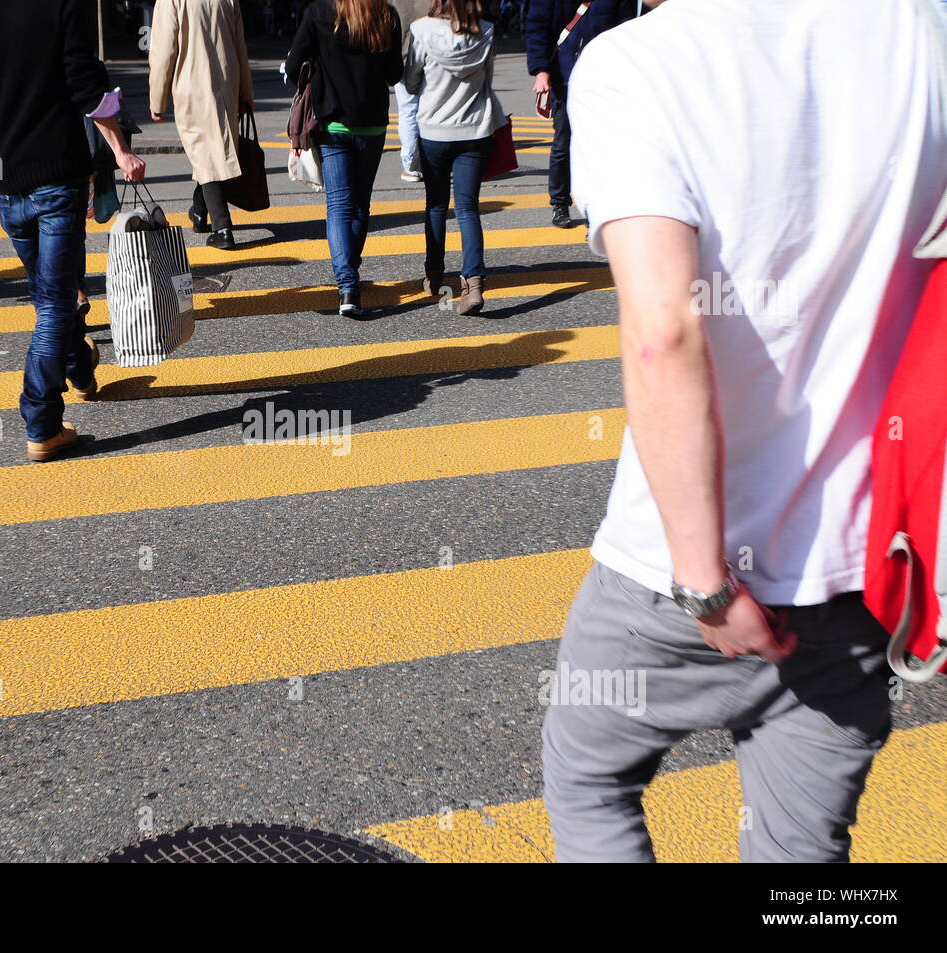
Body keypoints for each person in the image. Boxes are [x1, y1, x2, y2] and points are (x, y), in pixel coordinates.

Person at [540, 0, 947, 862]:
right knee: (801, 850)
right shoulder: (924, 33)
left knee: (588, 780)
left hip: (672, 571)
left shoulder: (634, 61)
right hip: (866, 565)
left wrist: (706, 583)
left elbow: (662, 332)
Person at [0, 0, 146, 463]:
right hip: (57, 177)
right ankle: (41, 421)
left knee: (51, 294)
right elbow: (89, 90)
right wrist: (120, 149)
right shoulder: (59, 8)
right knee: (55, 304)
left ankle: (79, 368)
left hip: (8, 183)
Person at [285, 0, 403, 317]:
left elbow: (295, 64)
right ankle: (350, 270)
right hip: (372, 123)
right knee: (361, 204)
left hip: (333, 121)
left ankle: (347, 285)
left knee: (338, 204)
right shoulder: (386, 15)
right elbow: (394, 74)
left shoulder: (319, 12)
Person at [404, 0, 504, 314]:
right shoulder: (486, 32)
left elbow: (410, 81)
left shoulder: (421, 30)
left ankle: (434, 275)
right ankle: (473, 283)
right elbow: (488, 81)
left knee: (435, 204)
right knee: (467, 208)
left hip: (433, 129)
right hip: (474, 130)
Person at [149, 0, 255, 251]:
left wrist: (157, 99)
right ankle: (199, 211)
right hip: (227, 84)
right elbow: (241, 47)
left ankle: (222, 227)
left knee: (205, 153)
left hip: (191, 88)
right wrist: (246, 92)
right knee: (211, 152)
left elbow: (164, 52)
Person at [524, 0, 633, 228]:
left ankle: (595, 209)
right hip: (564, 75)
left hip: (603, 78)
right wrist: (541, 70)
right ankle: (560, 203)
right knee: (563, 143)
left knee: (600, 147)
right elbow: (537, 26)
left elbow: (627, 26)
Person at [390, 0, 432, 183]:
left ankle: (412, 166)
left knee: (408, 111)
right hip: (433, 54)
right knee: (433, 108)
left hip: (402, 55)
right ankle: (436, 160)